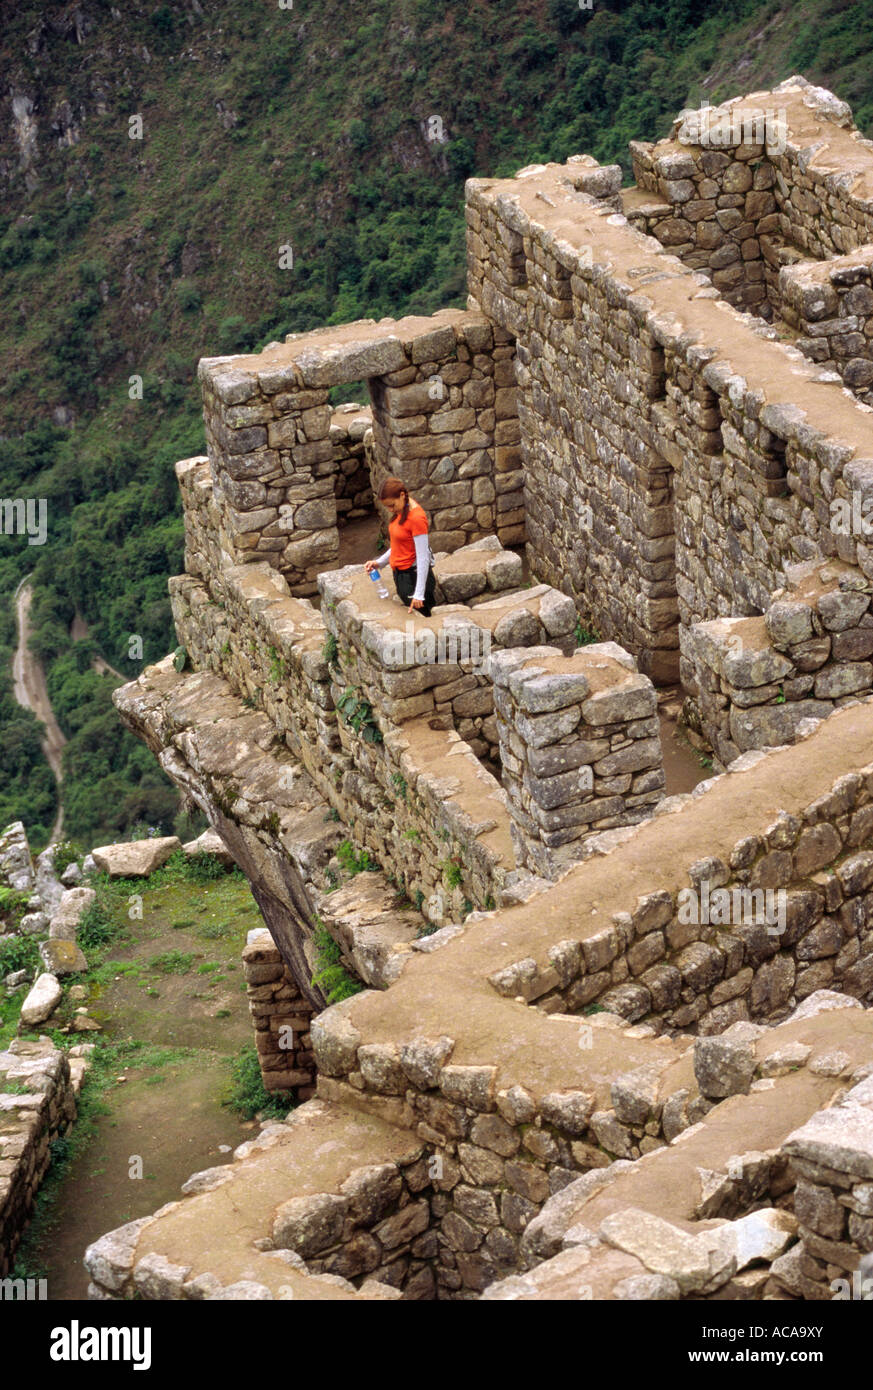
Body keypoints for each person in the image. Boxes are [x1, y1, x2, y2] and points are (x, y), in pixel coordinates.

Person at [365, 477, 436, 616]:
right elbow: (399, 545)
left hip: (413, 579)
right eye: (387, 506)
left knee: (424, 620)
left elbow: (423, 558)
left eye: (392, 505)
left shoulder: (416, 518)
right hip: (403, 577)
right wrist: (379, 563)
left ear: (402, 495)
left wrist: (419, 594)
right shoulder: (401, 511)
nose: (390, 509)